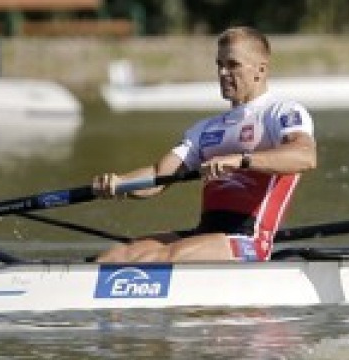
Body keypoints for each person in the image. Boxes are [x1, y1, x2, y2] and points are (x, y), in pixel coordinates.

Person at [91, 26, 317, 263]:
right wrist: (120, 183)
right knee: (117, 255)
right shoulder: (205, 129)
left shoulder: (281, 112)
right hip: (205, 235)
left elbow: (305, 156)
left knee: (163, 257)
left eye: (232, 65)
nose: (222, 72)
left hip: (248, 241)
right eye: (219, 64)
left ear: (260, 70)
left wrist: (240, 160)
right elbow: (159, 175)